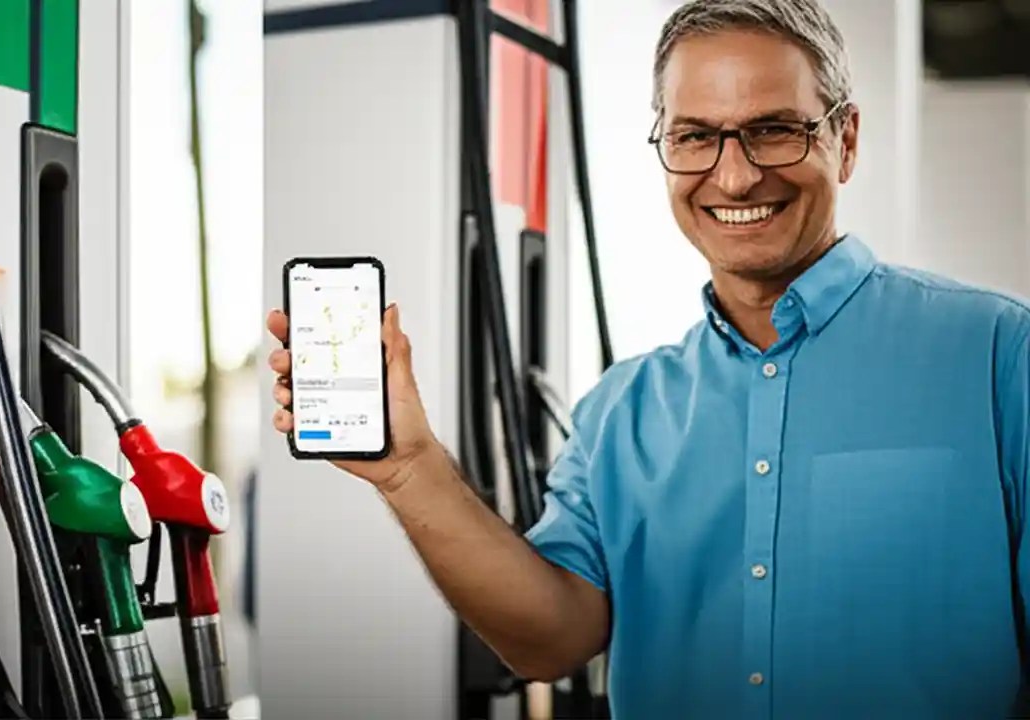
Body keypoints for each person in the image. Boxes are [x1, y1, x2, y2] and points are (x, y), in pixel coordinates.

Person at [266, 0, 1030, 716]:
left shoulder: (999, 356)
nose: (733, 176)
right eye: (697, 136)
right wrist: (410, 468)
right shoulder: (620, 409)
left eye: (774, 130)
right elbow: (549, 640)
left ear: (846, 139)